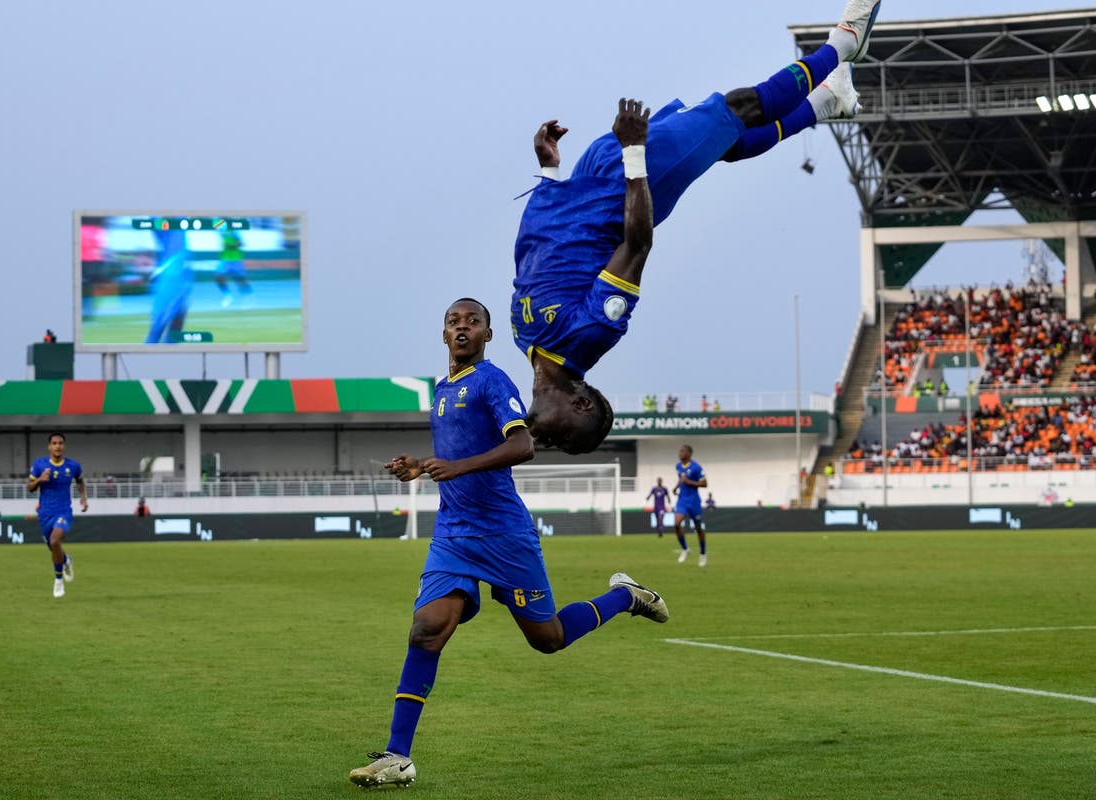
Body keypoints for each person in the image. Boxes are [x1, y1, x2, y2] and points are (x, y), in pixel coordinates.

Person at [511, 1, 880, 454]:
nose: (545, 441)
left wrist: (549, 173)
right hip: (624, 190)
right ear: (581, 405)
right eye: (563, 438)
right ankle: (843, 45)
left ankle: (826, 103)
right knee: (736, 108)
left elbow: (533, 250)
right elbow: (638, 243)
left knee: (722, 141)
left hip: (584, 176)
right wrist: (634, 154)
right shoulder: (590, 336)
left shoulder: (523, 338)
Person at [348, 298, 669, 789]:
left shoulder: (492, 380)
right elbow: (458, 451)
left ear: (487, 335)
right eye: (453, 322)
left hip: (503, 535)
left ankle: (626, 595)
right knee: (427, 630)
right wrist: (421, 466)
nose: (462, 328)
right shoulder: (441, 389)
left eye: (472, 322)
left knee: (548, 640)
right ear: (443, 334)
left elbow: (523, 445)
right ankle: (398, 756)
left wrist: (454, 467)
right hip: (453, 533)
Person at [26, 433, 87, 598]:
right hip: (45, 514)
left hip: (64, 512)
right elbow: (29, 487)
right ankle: (66, 560)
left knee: (54, 540)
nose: (58, 446)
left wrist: (83, 498)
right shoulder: (40, 465)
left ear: (64, 446)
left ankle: (58, 581)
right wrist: (40, 479)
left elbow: (80, 481)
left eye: (60, 443)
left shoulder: (73, 465)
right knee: (54, 548)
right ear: (49, 446)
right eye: (54, 443)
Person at [673, 444, 708, 566]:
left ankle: (703, 554)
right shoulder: (678, 466)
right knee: (677, 523)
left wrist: (689, 482)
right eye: (680, 451)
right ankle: (685, 549)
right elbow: (681, 479)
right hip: (682, 500)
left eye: (682, 451)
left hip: (694, 501)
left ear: (689, 454)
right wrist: (676, 487)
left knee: (698, 528)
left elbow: (704, 484)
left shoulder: (696, 467)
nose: (680, 453)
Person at [214, 229, 252, 307]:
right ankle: (227, 295)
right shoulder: (221, 228)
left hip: (235, 259)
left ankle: (248, 296)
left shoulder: (234, 231)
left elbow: (242, 243)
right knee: (218, 276)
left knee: (239, 279)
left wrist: (230, 246)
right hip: (225, 259)